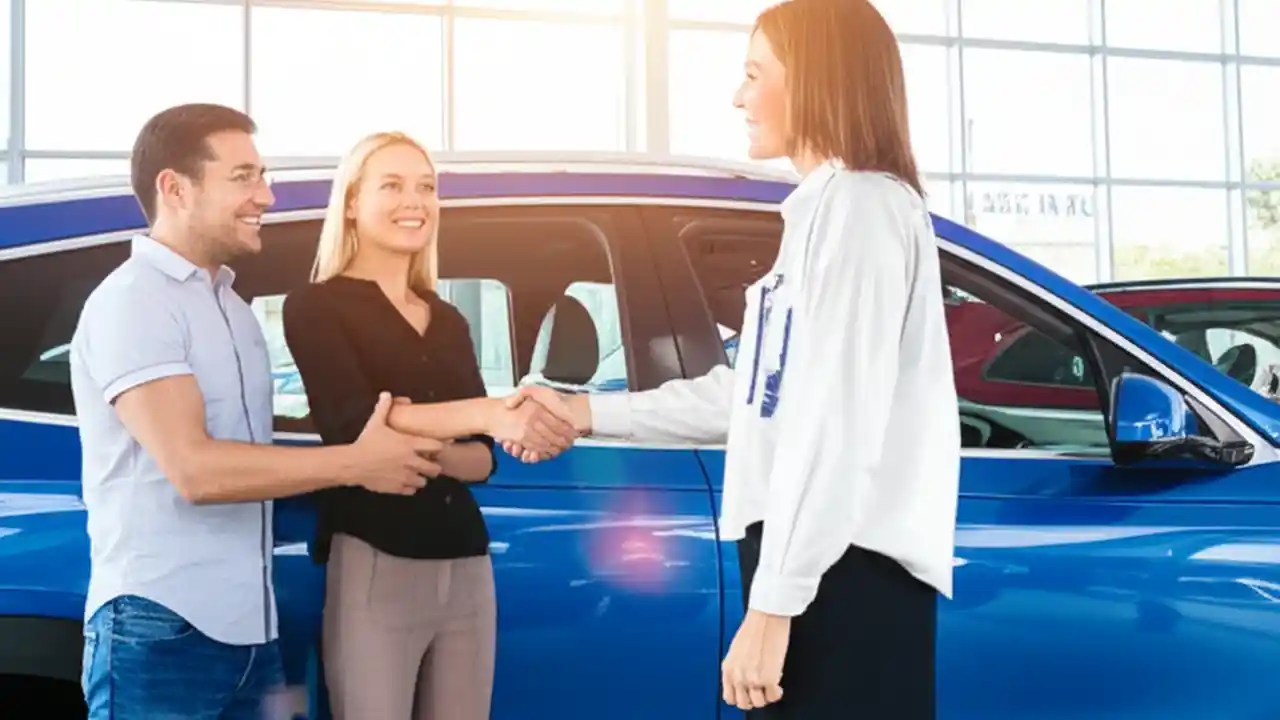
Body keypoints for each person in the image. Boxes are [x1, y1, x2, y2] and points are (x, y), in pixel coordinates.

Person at [505, 1, 961, 717]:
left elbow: (834, 427)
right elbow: (757, 397)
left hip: (840, 576)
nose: (738, 97)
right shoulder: (822, 212)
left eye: (754, 75)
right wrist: (587, 410)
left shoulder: (862, 210)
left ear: (814, 80)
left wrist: (773, 608)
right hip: (816, 568)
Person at [69, 104, 453, 719]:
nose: (266, 195)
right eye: (243, 177)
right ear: (176, 188)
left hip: (250, 632)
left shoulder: (235, 311)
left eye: (263, 176)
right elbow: (198, 471)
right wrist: (357, 464)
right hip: (161, 627)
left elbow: (253, 455)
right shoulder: (133, 302)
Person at [281, 130, 579, 720]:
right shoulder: (315, 307)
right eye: (391, 185)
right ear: (351, 204)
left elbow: (483, 459)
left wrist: (419, 439)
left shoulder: (447, 318)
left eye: (426, 187)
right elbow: (355, 426)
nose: (413, 201)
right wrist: (483, 417)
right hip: (375, 557)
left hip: (467, 565)